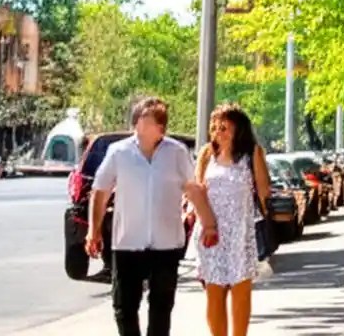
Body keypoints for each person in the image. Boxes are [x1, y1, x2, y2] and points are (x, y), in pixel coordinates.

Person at [87, 97, 216, 336]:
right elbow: (101, 191)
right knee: (124, 307)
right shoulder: (119, 152)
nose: (161, 125)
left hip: (166, 244)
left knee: (161, 307)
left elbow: (193, 189)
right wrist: (93, 231)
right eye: (156, 120)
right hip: (128, 243)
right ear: (138, 122)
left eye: (163, 121)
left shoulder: (176, 152)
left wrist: (209, 224)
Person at [194, 104, 270, 336]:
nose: (218, 132)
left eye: (224, 127)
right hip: (212, 233)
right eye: (215, 127)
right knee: (214, 293)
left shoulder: (251, 154)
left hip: (240, 233)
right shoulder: (207, 154)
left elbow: (264, 190)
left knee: (240, 292)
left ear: (239, 129)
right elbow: (198, 191)